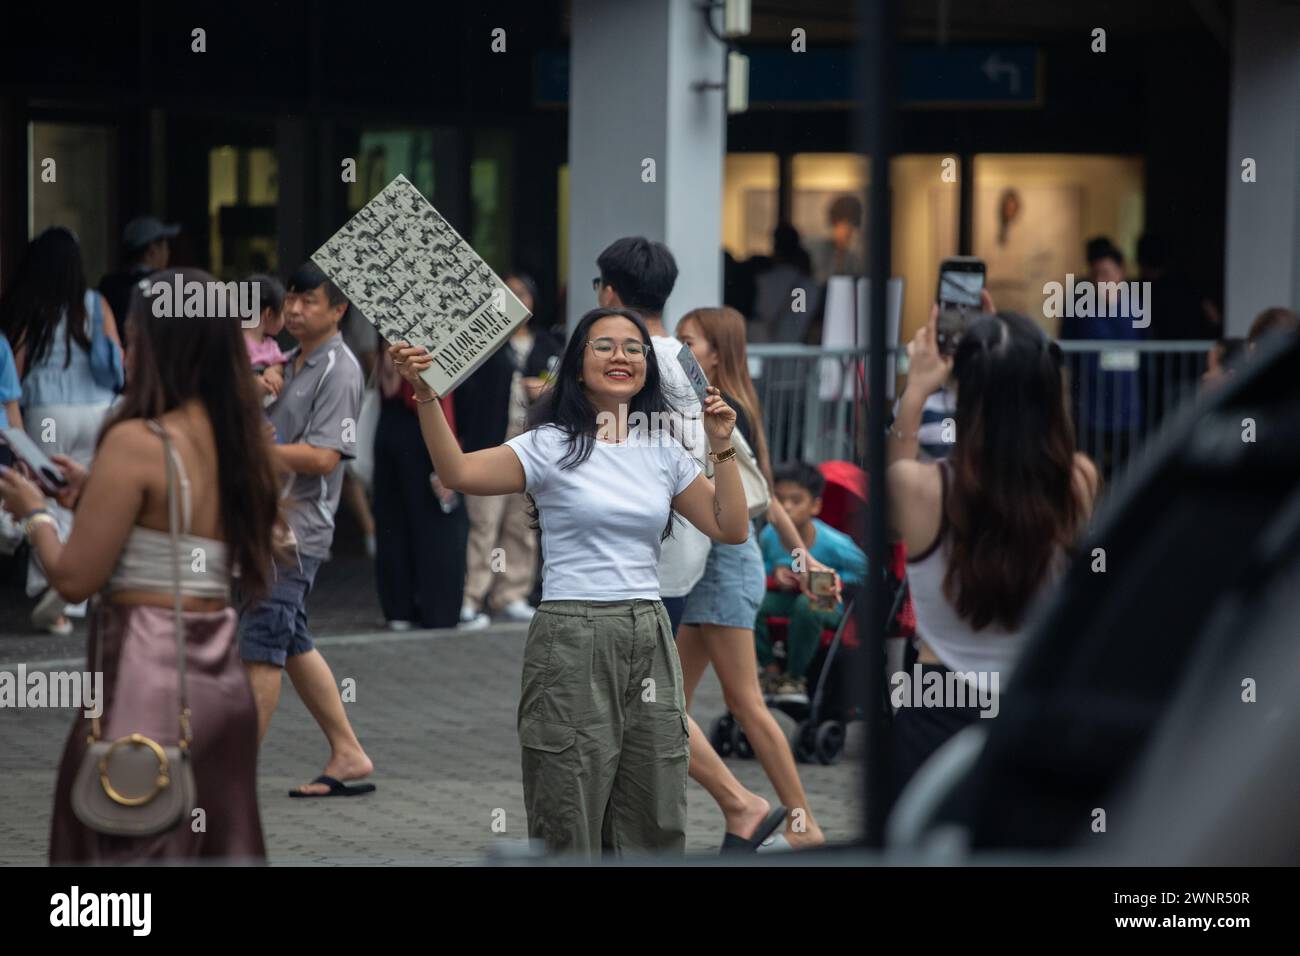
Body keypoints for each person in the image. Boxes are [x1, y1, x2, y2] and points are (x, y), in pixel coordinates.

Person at [391, 307, 750, 856]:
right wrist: (425, 395)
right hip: (571, 634)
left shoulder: (664, 449)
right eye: (603, 346)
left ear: (647, 369)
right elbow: (459, 472)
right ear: (578, 367)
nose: (621, 357)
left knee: (655, 802)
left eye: (633, 348)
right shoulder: (547, 444)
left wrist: (721, 441)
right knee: (568, 805)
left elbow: (731, 526)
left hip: (648, 632)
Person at [0, 266, 278, 863]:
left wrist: (34, 514)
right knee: (215, 842)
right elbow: (172, 525)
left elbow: (75, 577)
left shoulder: (137, 441)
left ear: (160, 344)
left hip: (143, 675)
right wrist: (94, 493)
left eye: (130, 338)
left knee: (119, 843)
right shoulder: (238, 437)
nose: (125, 352)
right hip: (220, 683)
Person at [594, 241, 791, 850]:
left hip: (635, 563)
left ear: (610, 291)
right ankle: (721, 812)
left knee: (642, 703)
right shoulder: (684, 361)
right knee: (645, 701)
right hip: (683, 557)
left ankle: (743, 805)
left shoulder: (621, 358)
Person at [886, 309, 1099, 801]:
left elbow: (895, 460)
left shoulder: (920, 488)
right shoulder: (1078, 482)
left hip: (935, 706)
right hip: (1031, 701)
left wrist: (917, 388)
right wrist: (1001, 345)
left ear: (963, 391)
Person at [675, 305, 828, 850]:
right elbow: (767, 493)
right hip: (712, 566)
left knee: (741, 703)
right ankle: (750, 811)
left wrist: (801, 558)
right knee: (664, 709)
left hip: (722, 564)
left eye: (688, 340)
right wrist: (800, 557)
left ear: (715, 352)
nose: (677, 348)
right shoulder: (725, 406)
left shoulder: (718, 410)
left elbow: (756, 498)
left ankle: (796, 823)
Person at [238, 262, 376, 798]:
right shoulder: (289, 360)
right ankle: (348, 752)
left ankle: (230, 778)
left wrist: (254, 452)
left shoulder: (339, 369)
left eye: (308, 301)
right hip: (267, 523)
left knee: (261, 646)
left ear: (338, 309)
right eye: (290, 299)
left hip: (294, 534)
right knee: (290, 638)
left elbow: (323, 457)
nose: (294, 310)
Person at [0, 226, 123, 636]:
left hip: (45, 410)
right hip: (96, 410)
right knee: (85, 497)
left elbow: (11, 374)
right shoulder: (95, 302)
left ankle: (54, 594)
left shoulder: (28, 304)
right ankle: (82, 585)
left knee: (46, 497)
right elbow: (116, 358)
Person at [454, 272, 560, 628]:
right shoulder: (484, 343)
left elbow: (566, 386)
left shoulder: (547, 343)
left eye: (523, 295)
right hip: (491, 441)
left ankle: (511, 592)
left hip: (532, 442)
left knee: (522, 522)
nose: (517, 301)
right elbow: (467, 397)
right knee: (484, 521)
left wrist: (545, 389)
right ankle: (472, 595)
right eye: (509, 294)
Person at [371, 344, 468, 630]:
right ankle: (439, 611)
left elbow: (385, 380)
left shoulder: (386, 326)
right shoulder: (424, 325)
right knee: (437, 523)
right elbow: (438, 392)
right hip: (423, 425)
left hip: (389, 425)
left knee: (393, 520)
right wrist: (449, 458)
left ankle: (398, 609)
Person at [756, 461, 867, 693]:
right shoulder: (769, 535)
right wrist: (776, 572)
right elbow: (762, 564)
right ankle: (770, 668)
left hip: (827, 601)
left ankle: (794, 678)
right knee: (749, 604)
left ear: (815, 506)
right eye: (780, 499)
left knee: (807, 605)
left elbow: (869, 572)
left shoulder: (835, 544)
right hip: (787, 598)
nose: (786, 507)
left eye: (796, 501)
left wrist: (831, 578)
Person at [1058, 237, 1144, 479]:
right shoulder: (1080, 306)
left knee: (1127, 474)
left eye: (1106, 273)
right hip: (1090, 407)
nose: (1100, 281)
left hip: (1126, 407)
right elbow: (1067, 344)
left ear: (1121, 273)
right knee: (1087, 472)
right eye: (1095, 275)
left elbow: (1139, 347)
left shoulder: (1135, 306)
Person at [98, 216, 179, 333]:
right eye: (166, 246)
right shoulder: (168, 287)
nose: (168, 252)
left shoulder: (108, 286)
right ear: (152, 250)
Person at [752, 224, 819, 343]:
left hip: (767, 350)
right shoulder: (807, 285)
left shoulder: (764, 281)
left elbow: (762, 315)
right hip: (798, 352)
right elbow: (801, 319)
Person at [242, 273, 288, 401]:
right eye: (282, 312)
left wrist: (273, 371)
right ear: (269, 313)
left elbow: (281, 363)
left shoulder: (270, 344)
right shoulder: (235, 343)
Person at [809, 195, 865, 284]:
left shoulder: (852, 260)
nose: (849, 231)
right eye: (844, 224)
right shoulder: (817, 250)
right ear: (835, 223)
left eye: (852, 226)